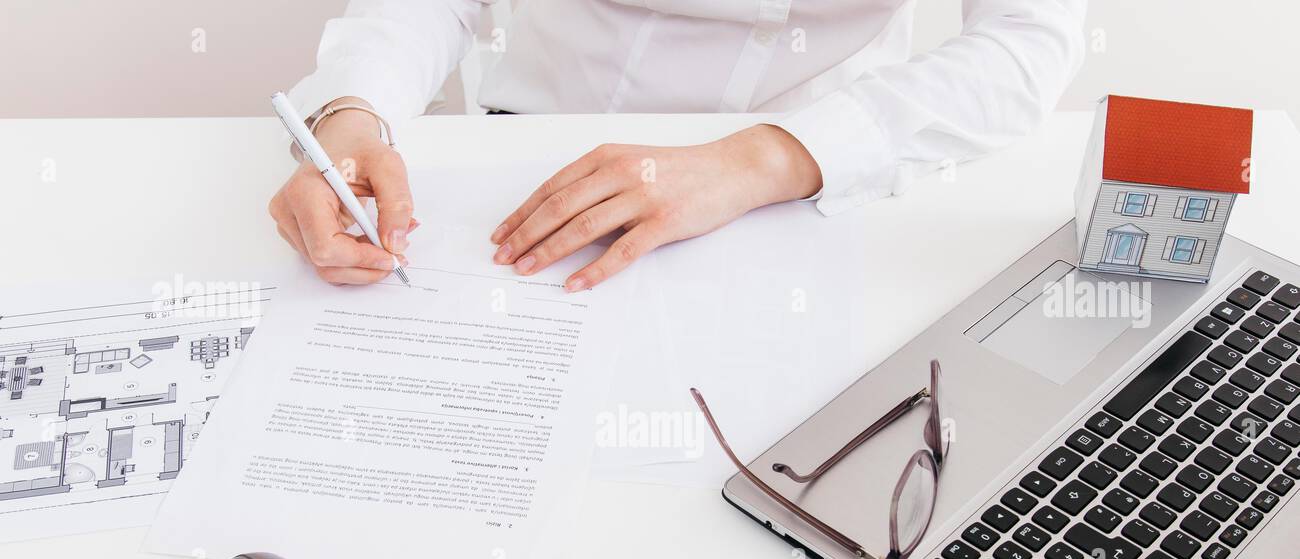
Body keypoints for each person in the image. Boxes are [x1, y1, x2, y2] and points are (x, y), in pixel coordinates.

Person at [269, 0, 1085, 290]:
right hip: (533, 166)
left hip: (802, 186)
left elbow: (1027, 45)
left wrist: (764, 159)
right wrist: (350, 111)